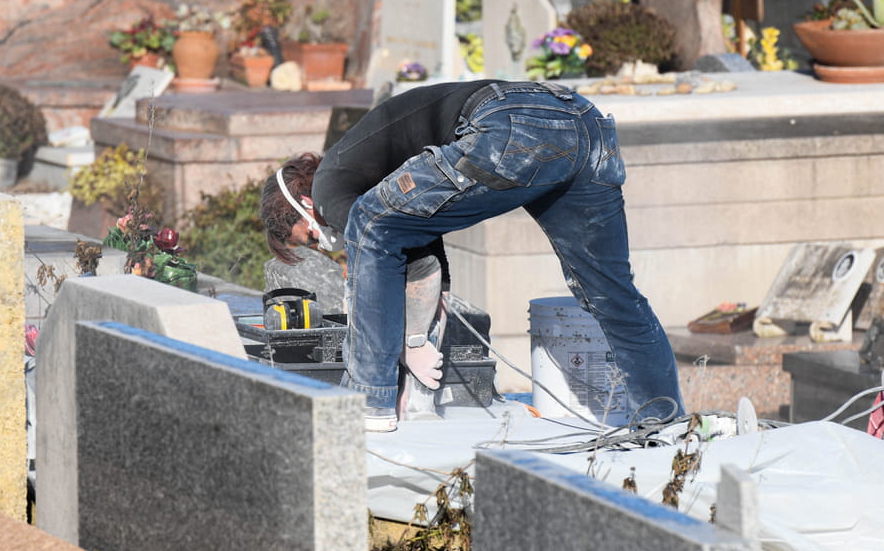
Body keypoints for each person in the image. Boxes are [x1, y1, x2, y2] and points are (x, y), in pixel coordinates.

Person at [260, 79, 684, 431]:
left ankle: (368, 402)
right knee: (610, 293)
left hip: (509, 125)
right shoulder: (367, 168)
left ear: (304, 206)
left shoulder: (328, 185)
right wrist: (420, 327)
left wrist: (408, 343)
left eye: (310, 239)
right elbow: (419, 244)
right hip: (583, 124)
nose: (324, 245)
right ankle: (663, 417)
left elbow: (380, 243)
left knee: (368, 225)